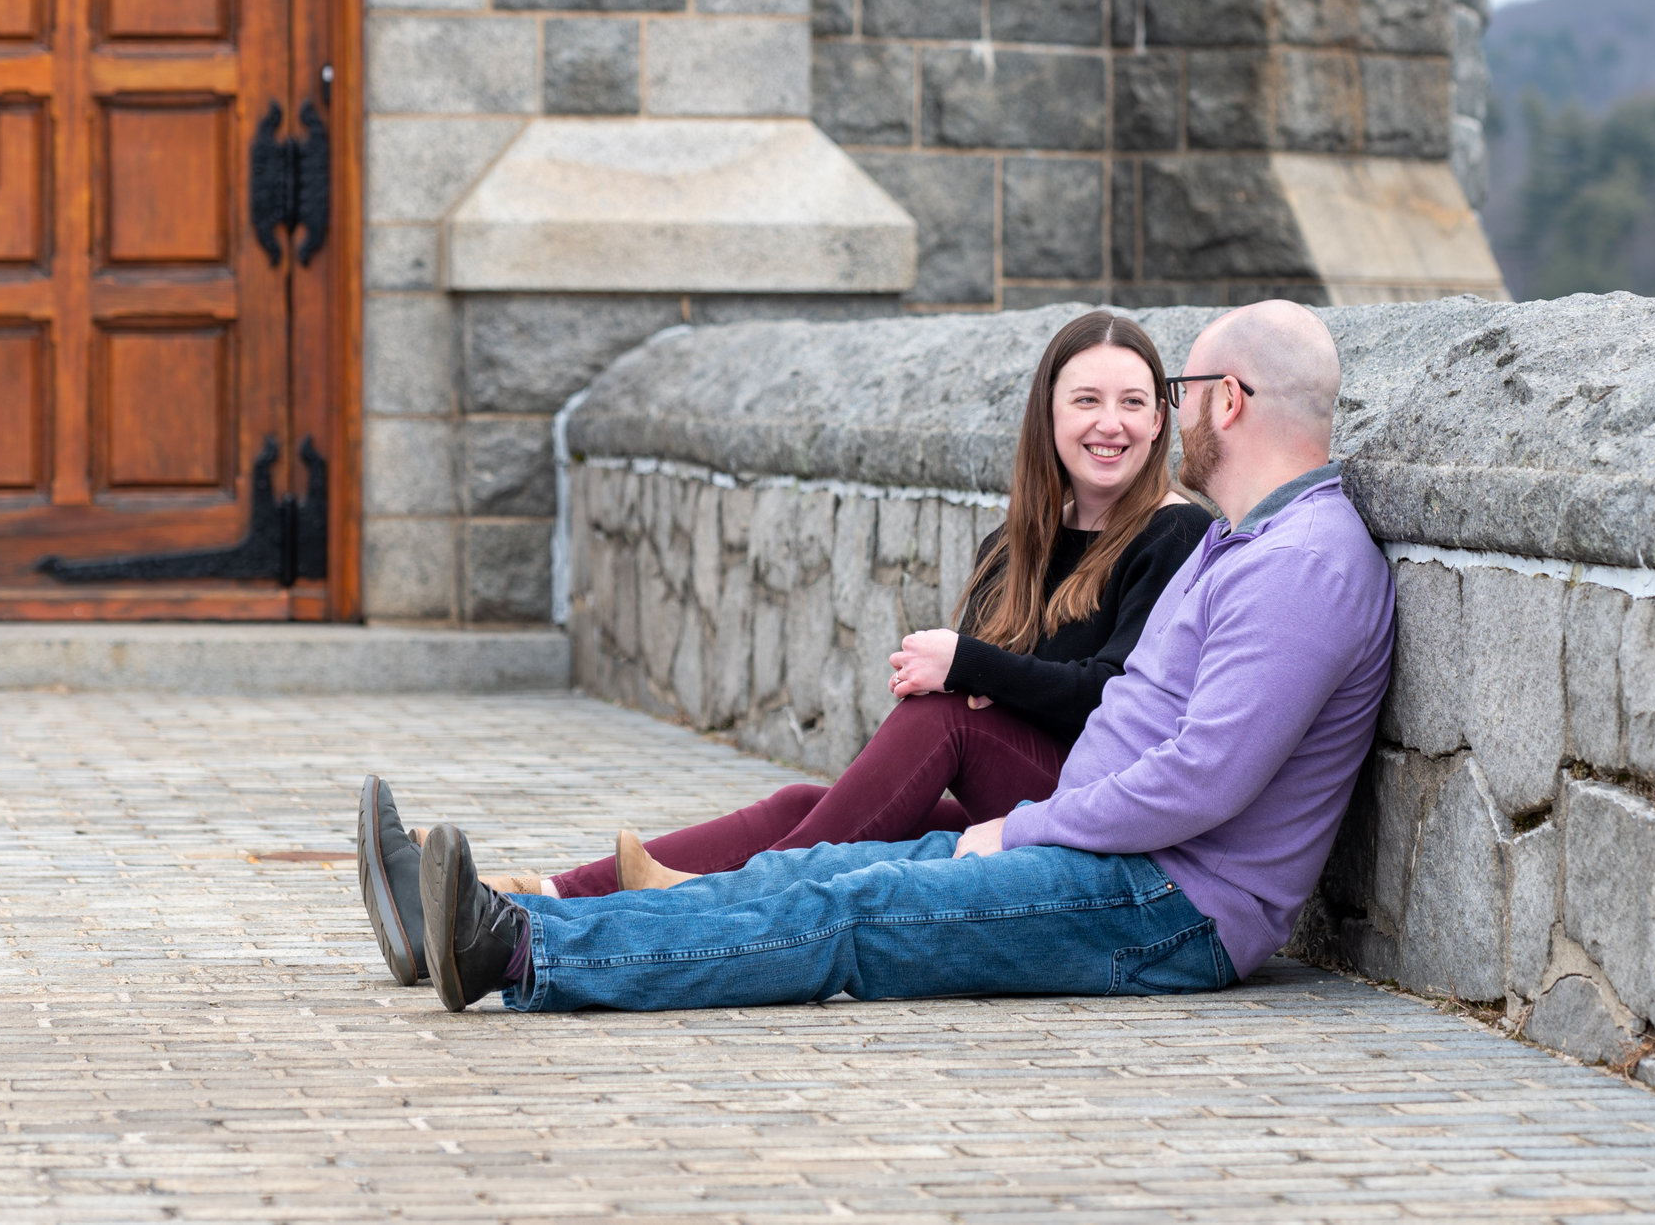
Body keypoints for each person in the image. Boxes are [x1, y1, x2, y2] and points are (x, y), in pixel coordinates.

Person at [367, 299, 1395, 1014]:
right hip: (1100, 855)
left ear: (1229, 398)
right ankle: (511, 916)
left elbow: (1201, 778)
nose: (1161, 412)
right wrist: (1030, 827)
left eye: (1173, 388)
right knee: (822, 861)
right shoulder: (1242, 537)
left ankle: (522, 950)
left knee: (850, 913)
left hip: (1165, 907)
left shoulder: (1303, 565)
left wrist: (1024, 824)